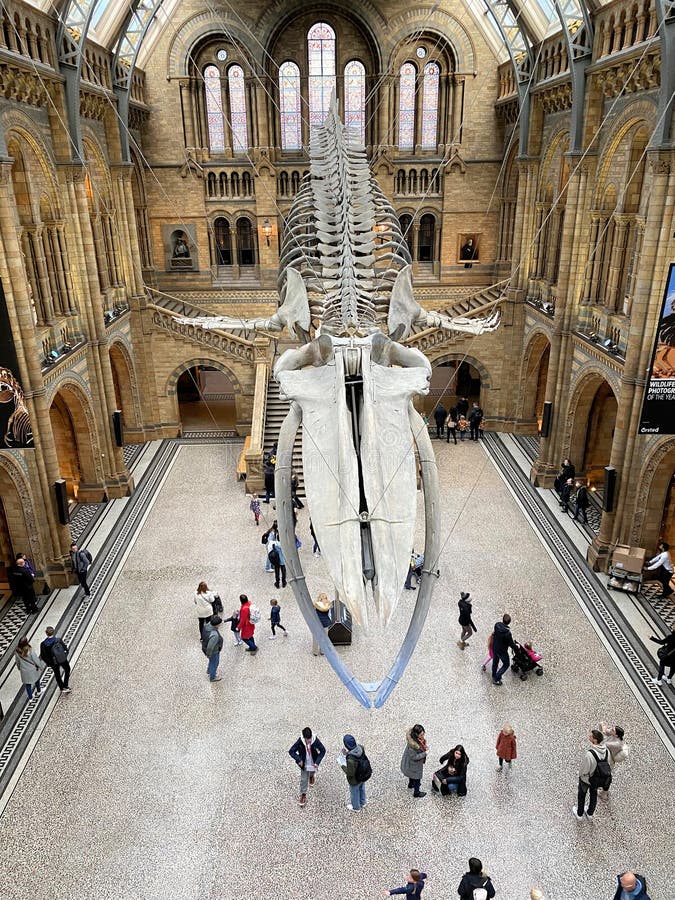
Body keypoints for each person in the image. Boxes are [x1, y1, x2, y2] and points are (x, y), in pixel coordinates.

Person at [573, 728, 611, 820]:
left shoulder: (590, 754)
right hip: (597, 779)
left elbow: (584, 770)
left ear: (595, 740)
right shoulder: (606, 751)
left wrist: (581, 775)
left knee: (582, 795)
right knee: (593, 795)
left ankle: (579, 814)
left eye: (590, 736)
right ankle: (590, 813)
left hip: (587, 779)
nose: (589, 737)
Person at [288, 726, 326, 807]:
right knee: (303, 779)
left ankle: (311, 776)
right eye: (307, 740)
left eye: (310, 739)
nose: (309, 741)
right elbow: (291, 751)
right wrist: (298, 759)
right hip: (304, 764)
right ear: (304, 737)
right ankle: (303, 794)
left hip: (313, 762)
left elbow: (323, 750)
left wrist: (317, 762)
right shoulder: (300, 741)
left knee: (312, 772)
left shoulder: (315, 740)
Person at [340, 734, 370, 812]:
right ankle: (363, 802)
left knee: (354, 792)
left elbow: (350, 773)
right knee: (362, 788)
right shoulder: (361, 748)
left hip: (355, 779)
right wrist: (347, 753)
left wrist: (342, 765)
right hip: (363, 775)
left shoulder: (350, 759)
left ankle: (356, 807)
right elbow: (357, 756)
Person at [39, 626, 71, 694]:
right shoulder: (58, 640)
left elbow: (43, 656)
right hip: (62, 659)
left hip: (53, 662)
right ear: (53, 632)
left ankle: (62, 687)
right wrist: (64, 655)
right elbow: (65, 648)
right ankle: (66, 684)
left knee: (57, 674)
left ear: (46, 633)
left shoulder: (43, 644)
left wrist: (49, 663)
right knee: (67, 670)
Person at [400, 723, 427, 798]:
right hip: (414, 764)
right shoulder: (413, 746)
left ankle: (411, 784)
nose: (423, 736)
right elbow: (414, 757)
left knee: (411, 774)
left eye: (423, 733)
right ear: (416, 734)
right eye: (421, 735)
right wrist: (424, 754)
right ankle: (417, 792)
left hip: (410, 764)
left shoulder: (415, 740)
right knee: (417, 778)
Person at [491, 613, 515, 685]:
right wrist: (516, 647)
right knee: (506, 664)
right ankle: (497, 678)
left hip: (495, 647)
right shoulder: (507, 633)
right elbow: (511, 643)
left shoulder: (497, 625)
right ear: (509, 622)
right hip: (502, 651)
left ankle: (493, 674)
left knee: (495, 662)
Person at [201, 615, 223, 682]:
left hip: (204, 646)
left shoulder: (207, 626)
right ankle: (212, 677)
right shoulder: (214, 635)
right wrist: (209, 654)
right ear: (216, 625)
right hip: (214, 651)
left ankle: (209, 670)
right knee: (215, 663)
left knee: (211, 661)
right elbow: (210, 647)